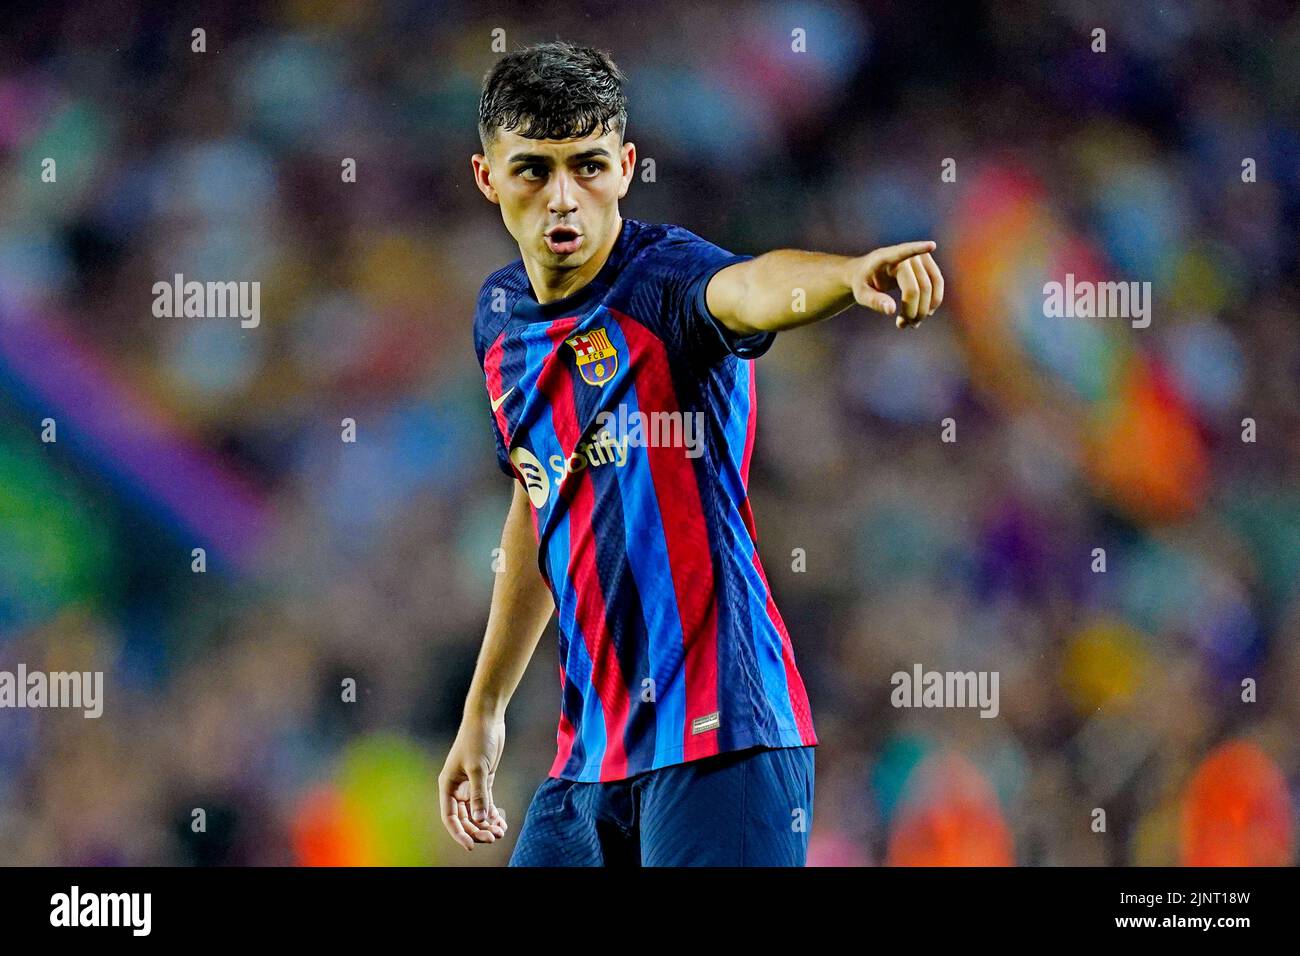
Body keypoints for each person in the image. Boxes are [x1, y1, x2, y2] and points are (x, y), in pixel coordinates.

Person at [439, 40, 944, 866]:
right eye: (534, 169)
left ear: (628, 166)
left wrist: (845, 275)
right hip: (589, 760)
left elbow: (752, 288)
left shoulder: (665, 280)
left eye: (589, 166)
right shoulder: (498, 321)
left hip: (726, 739)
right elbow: (540, 498)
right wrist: (485, 708)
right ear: (488, 177)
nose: (564, 198)